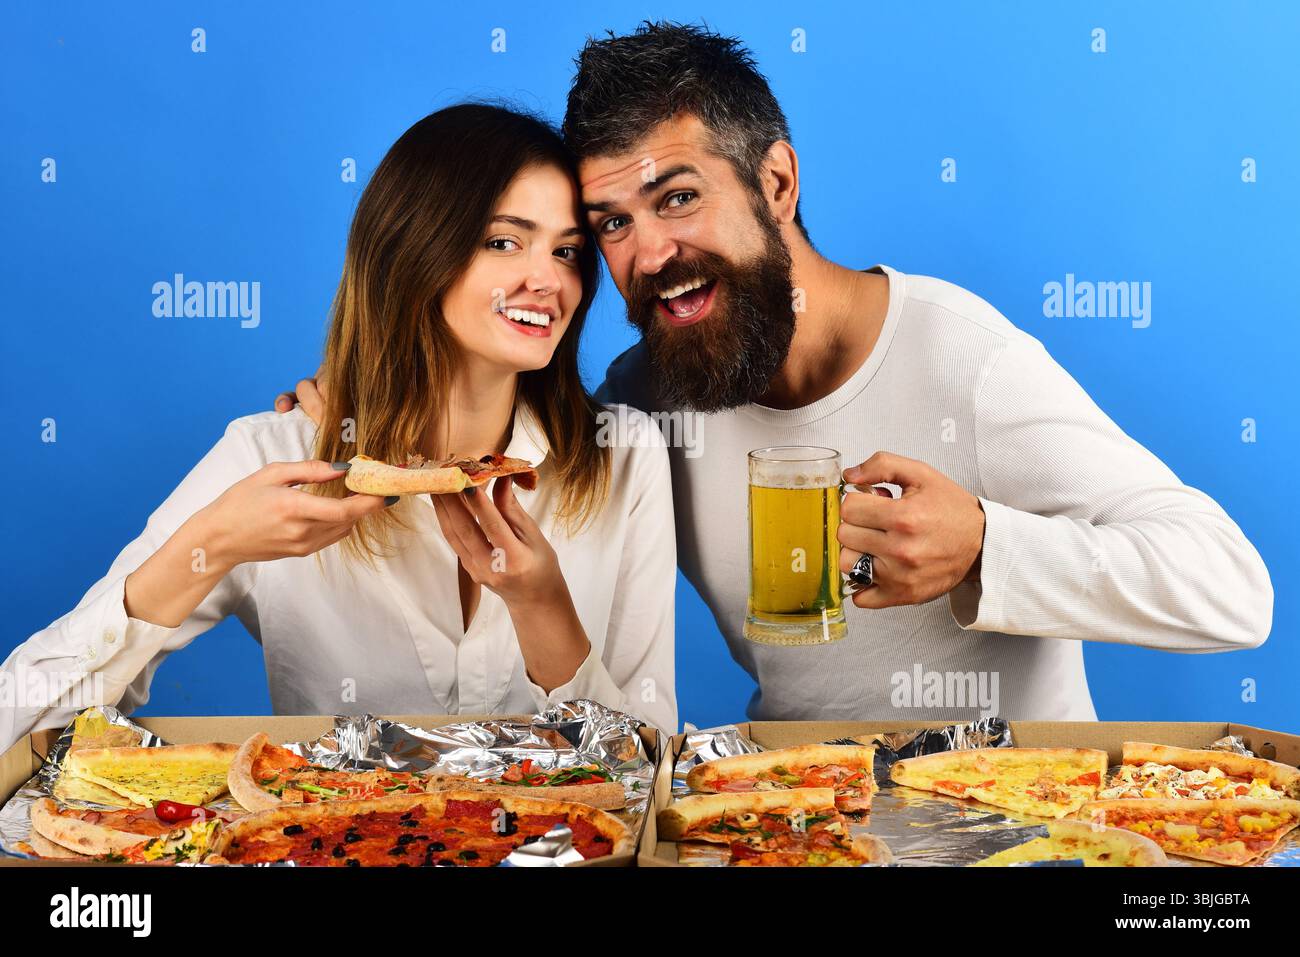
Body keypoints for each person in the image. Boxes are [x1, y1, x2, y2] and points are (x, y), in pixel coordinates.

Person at [278, 24, 1272, 723]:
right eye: (612, 224)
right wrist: (352, 413)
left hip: (1007, 832)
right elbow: (503, 440)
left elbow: (1232, 591)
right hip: (789, 824)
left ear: (777, 184)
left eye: (677, 198)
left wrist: (984, 548)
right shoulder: (645, 398)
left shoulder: (960, 357)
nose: (648, 253)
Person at [1, 104, 677, 754]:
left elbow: (650, 772)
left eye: (567, 252)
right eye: (504, 241)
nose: (548, 280)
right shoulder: (270, 457)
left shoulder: (625, 458)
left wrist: (543, 609)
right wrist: (208, 543)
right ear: (412, 251)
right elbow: (18, 723)